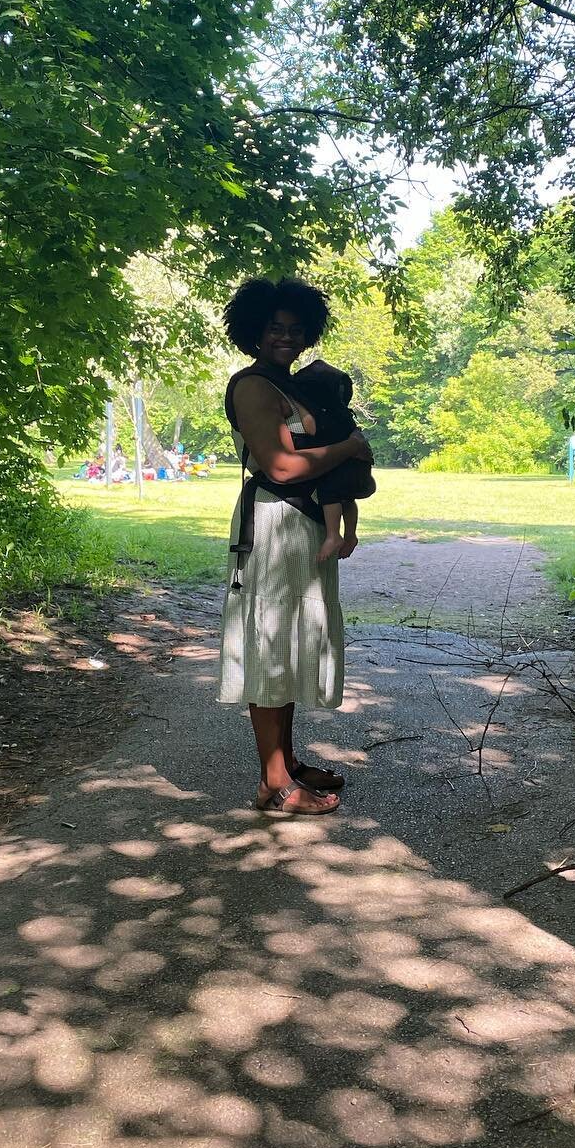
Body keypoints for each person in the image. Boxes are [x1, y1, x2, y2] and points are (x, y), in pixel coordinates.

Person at [218, 276, 374, 816]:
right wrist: (350, 446)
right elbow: (281, 465)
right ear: (253, 330)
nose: (285, 336)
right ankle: (273, 783)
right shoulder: (254, 386)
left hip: (301, 527)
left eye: (295, 328)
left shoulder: (293, 384)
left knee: (285, 649)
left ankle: (284, 762)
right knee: (269, 647)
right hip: (274, 526)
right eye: (273, 327)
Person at [290, 357, 376, 561]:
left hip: (343, 467)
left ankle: (332, 535)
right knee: (348, 498)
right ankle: (351, 534)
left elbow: (310, 428)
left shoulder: (319, 415)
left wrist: (298, 406)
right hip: (359, 467)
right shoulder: (343, 413)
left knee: (329, 493)